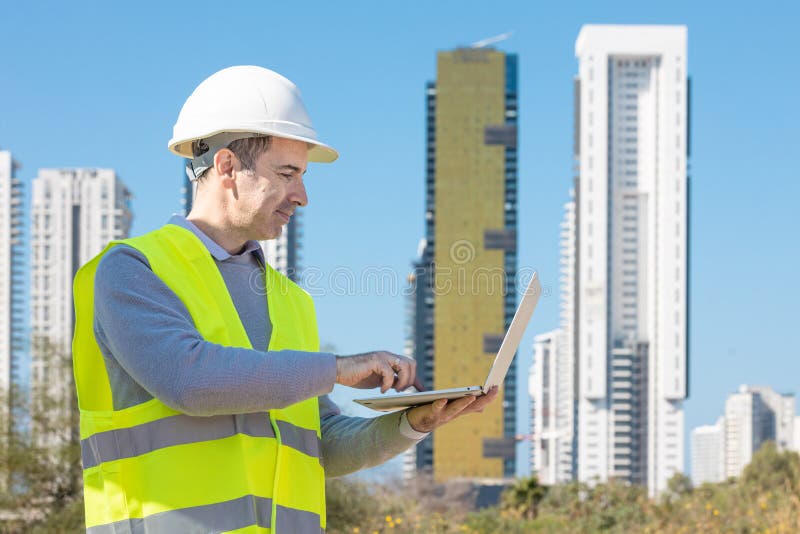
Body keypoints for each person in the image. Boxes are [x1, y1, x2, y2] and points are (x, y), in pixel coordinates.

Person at [72, 65, 498, 533]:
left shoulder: (291, 301)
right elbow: (188, 380)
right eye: (287, 172)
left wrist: (413, 423)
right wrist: (335, 369)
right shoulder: (132, 271)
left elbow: (322, 444)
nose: (303, 195)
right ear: (227, 167)